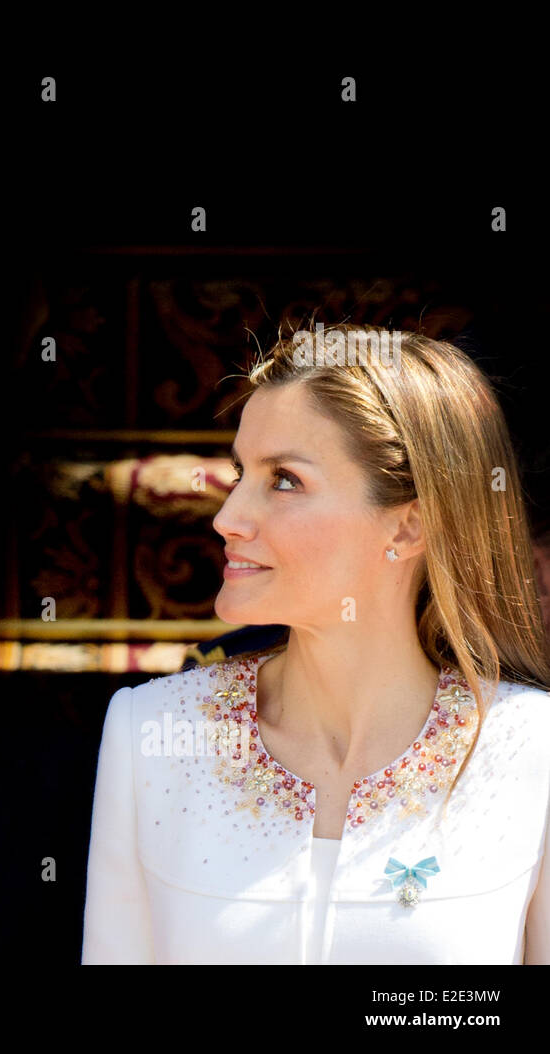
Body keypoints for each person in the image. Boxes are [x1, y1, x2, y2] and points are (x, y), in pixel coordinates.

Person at [81, 323, 550, 964]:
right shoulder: (151, 732)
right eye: (242, 471)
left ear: (409, 525)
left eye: (284, 481)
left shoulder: (530, 746)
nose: (226, 517)